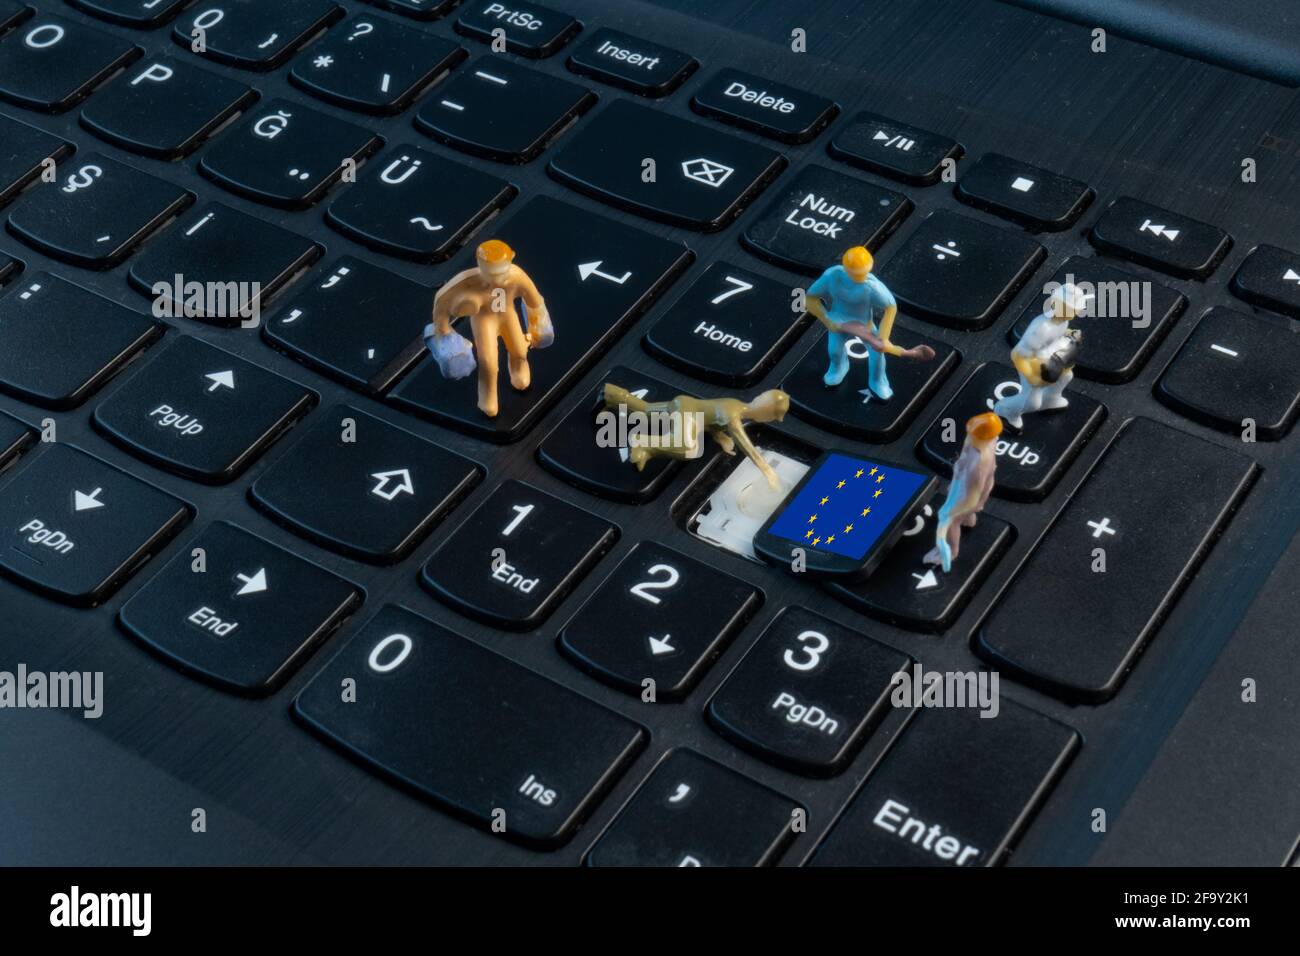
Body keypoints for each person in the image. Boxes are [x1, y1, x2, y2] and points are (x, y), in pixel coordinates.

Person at [424, 240, 553, 418]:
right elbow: (441, 302)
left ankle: (518, 370)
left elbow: (534, 299)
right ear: (479, 263)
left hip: (508, 315)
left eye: (500, 272)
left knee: (519, 350)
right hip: (484, 321)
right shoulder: (467, 281)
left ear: (511, 259)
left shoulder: (517, 276)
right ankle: (487, 395)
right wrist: (443, 329)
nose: (496, 280)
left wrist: (539, 325)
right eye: (490, 273)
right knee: (488, 362)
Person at [805, 245, 934, 400]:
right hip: (837, 320)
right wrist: (827, 320)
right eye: (855, 273)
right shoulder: (831, 276)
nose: (860, 277)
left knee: (877, 355)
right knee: (834, 351)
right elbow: (810, 298)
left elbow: (891, 307)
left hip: (864, 325)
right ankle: (838, 367)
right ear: (846, 267)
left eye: (863, 273)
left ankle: (878, 381)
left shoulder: (872, 288)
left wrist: (883, 338)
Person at [602, 385, 790, 489]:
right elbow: (744, 443)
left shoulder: (736, 406)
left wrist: (719, 437)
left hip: (685, 404)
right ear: (766, 410)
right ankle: (643, 445)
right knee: (687, 447)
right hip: (688, 410)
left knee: (646, 410)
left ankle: (610, 394)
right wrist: (768, 471)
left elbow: (711, 417)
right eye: (772, 417)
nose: (769, 420)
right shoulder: (735, 413)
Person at [993, 282, 1092, 429]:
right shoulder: (1042, 328)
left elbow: (1056, 336)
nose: (1076, 312)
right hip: (1032, 363)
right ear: (1057, 305)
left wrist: (1068, 334)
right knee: (1032, 402)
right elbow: (1018, 354)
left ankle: (1050, 399)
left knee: (1066, 376)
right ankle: (1005, 411)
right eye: (1073, 309)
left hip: (1051, 360)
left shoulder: (1064, 322)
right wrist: (1032, 376)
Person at [925, 412, 1002, 572]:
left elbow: (976, 489)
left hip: (969, 495)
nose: (969, 434)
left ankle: (951, 552)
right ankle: (969, 520)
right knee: (964, 512)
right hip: (964, 486)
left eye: (974, 433)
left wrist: (958, 508)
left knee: (950, 520)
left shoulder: (979, 461)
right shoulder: (984, 442)